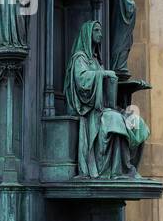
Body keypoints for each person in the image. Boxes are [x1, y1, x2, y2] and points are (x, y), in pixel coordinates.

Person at [63, 20, 149, 178]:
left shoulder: (95, 60)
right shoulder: (79, 59)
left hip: (104, 108)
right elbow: (81, 81)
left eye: (100, 31)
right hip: (90, 111)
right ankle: (114, 170)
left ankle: (128, 168)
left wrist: (133, 85)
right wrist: (103, 74)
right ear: (88, 34)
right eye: (97, 31)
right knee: (115, 120)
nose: (100, 34)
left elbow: (108, 83)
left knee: (137, 122)